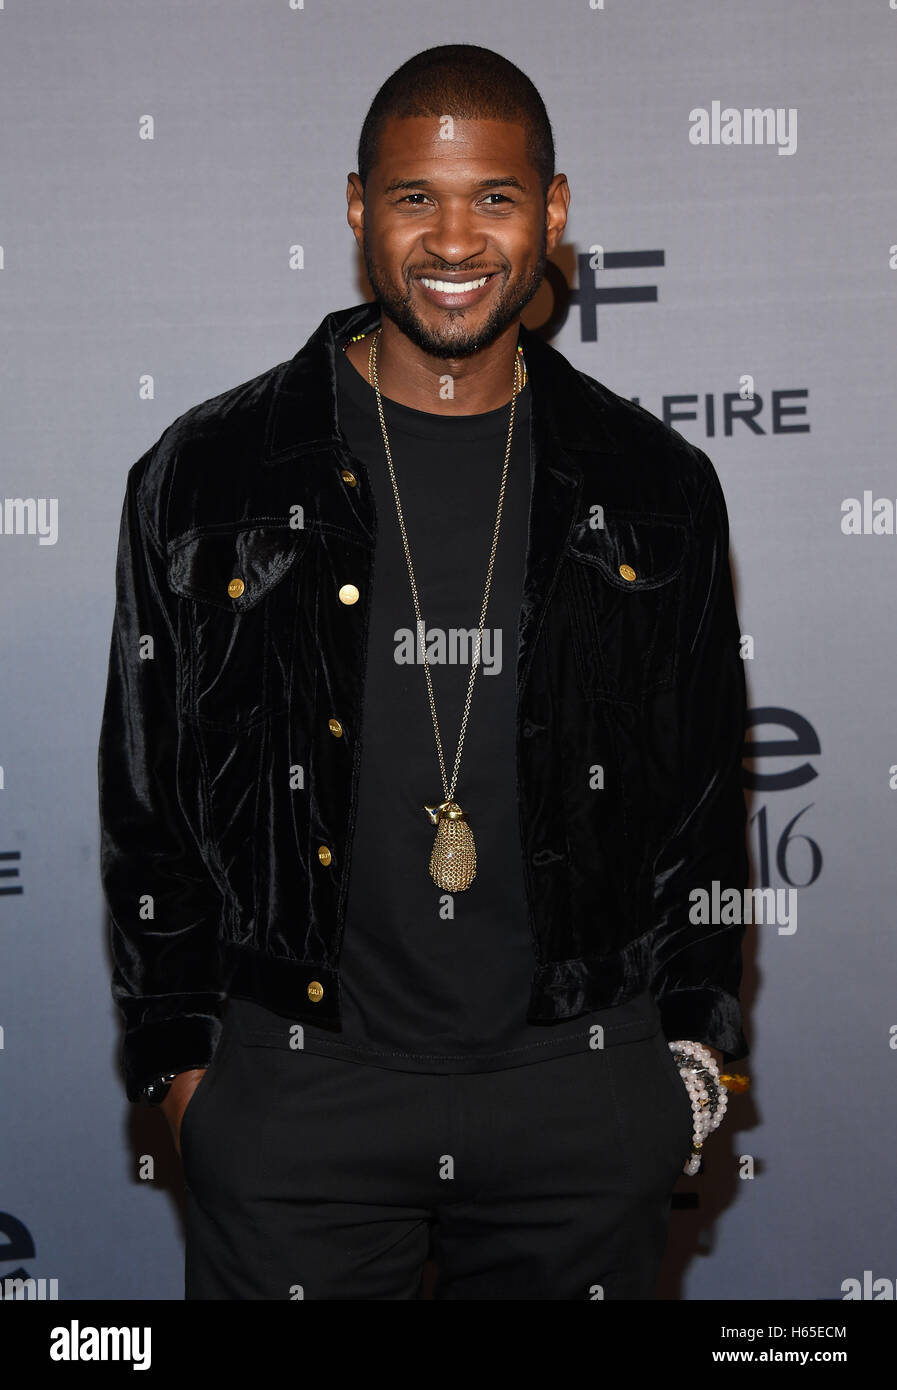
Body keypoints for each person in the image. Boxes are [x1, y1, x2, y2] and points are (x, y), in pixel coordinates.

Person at [98, 44, 749, 1301]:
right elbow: (150, 801)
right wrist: (189, 1081)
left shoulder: (655, 487)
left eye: (496, 197)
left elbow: (702, 806)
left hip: (576, 1093)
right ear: (358, 209)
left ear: (552, 214)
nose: (455, 239)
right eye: (415, 198)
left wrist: (686, 1062)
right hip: (299, 1092)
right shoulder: (209, 475)